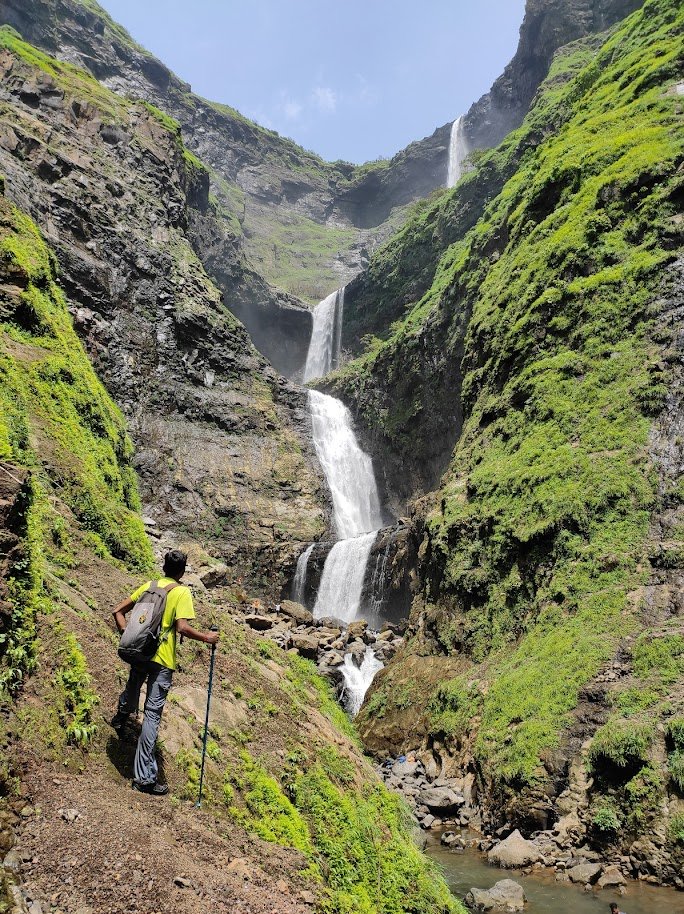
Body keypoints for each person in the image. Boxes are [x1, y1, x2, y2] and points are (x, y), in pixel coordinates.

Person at [110, 549, 220, 795]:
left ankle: (120, 717)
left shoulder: (149, 587)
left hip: (140, 653)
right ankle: (145, 778)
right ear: (182, 571)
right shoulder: (181, 592)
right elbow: (182, 627)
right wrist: (207, 637)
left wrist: (129, 635)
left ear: (164, 567)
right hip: (161, 660)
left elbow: (118, 610)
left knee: (132, 686)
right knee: (151, 715)